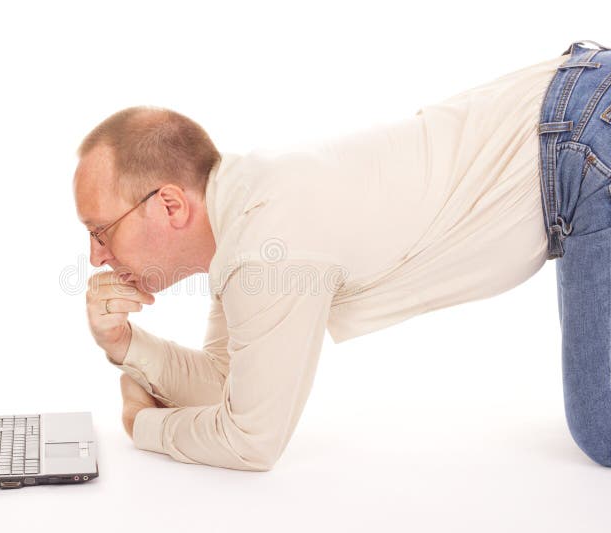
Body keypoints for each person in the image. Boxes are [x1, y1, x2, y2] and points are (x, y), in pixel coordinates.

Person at [72, 39, 611, 471]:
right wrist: (126, 346)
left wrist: (143, 425)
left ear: (169, 204)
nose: (96, 257)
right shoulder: (242, 213)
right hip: (578, 120)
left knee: (602, 430)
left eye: (101, 230)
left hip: (581, 144)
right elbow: (226, 383)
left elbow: (250, 440)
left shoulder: (267, 249)